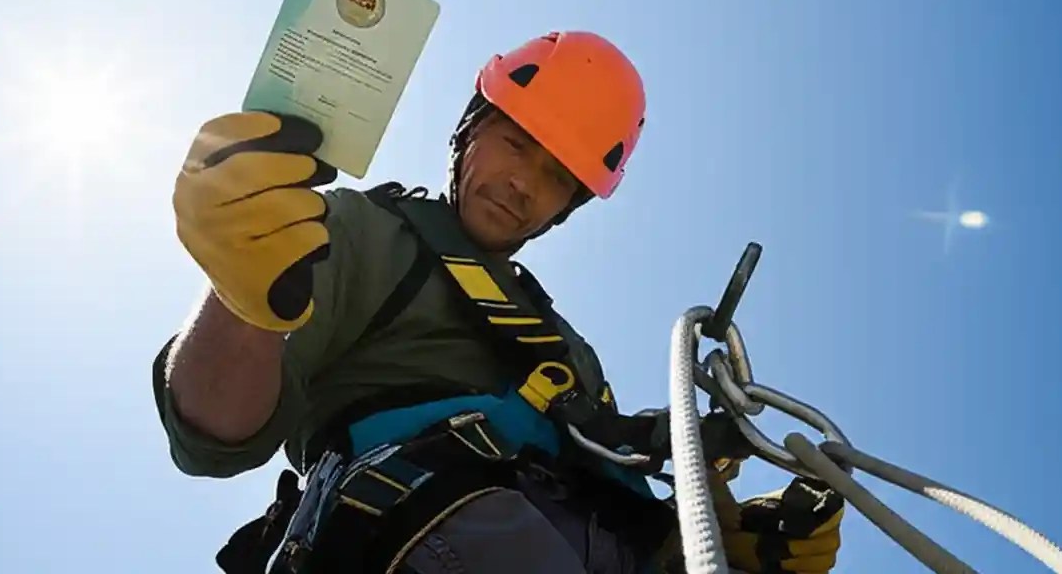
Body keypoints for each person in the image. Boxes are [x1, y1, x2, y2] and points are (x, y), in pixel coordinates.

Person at [153, 30, 845, 573]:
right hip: (434, 519)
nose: (523, 184)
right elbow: (213, 434)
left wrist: (727, 537)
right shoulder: (357, 230)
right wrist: (243, 298)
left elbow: (597, 486)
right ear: (468, 132)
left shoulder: (568, 351)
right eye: (516, 143)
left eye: (556, 177)